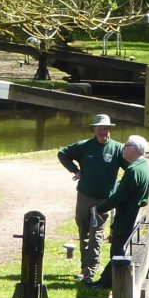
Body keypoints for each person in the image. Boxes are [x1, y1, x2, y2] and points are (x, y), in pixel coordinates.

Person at [57, 114, 126, 285]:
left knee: (97, 235)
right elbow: (62, 153)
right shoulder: (84, 146)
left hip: (104, 201)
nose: (105, 131)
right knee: (84, 232)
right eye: (101, 128)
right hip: (84, 197)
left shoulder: (118, 149)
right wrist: (75, 170)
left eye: (107, 128)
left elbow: (131, 169)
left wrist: (122, 189)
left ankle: (90, 273)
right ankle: (84, 268)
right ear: (94, 129)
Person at [92, 135, 149, 288]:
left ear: (134, 149)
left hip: (127, 218)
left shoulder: (133, 171)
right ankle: (104, 281)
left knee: (118, 251)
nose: (123, 148)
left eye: (126, 146)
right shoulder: (144, 166)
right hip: (132, 216)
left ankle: (105, 283)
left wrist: (99, 209)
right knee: (119, 250)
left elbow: (119, 196)